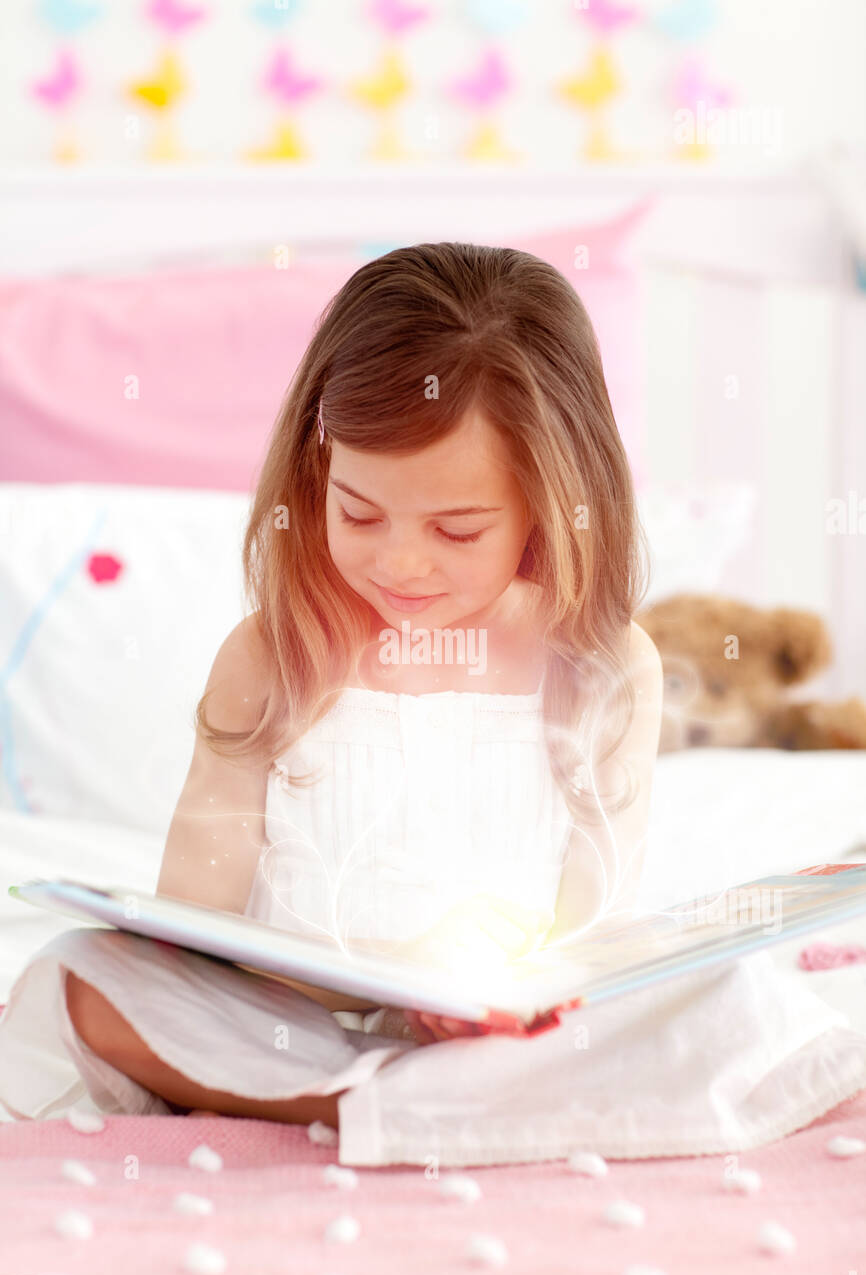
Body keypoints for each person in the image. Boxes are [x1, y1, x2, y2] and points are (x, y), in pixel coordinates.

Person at [2, 243, 864, 1167]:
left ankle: (401, 1104)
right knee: (82, 981)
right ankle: (396, 1107)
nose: (400, 564)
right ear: (314, 472)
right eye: (359, 514)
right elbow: (193, 925)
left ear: (550, 503)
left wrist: (502, 988)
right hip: (287, 1026)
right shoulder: (271, 656)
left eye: (457, 530)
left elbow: (599, 912)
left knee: (740, 1003)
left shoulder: (604, 666)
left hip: (503, 1036)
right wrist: (322, 986)